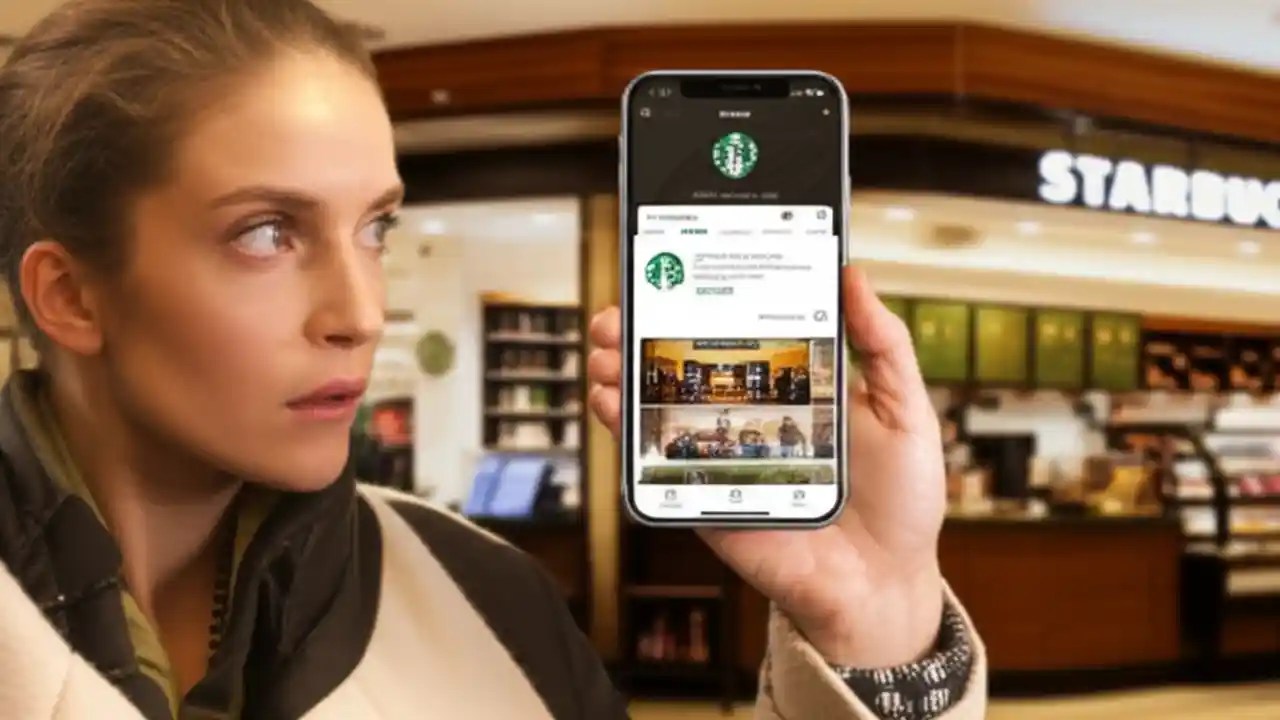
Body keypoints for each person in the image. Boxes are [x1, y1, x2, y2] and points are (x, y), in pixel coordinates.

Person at [0, 1, 986, 719]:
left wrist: (874, 620)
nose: (363, 312)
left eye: (376, 227)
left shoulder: (488, 595)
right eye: (267, 231)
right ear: (72, 296)